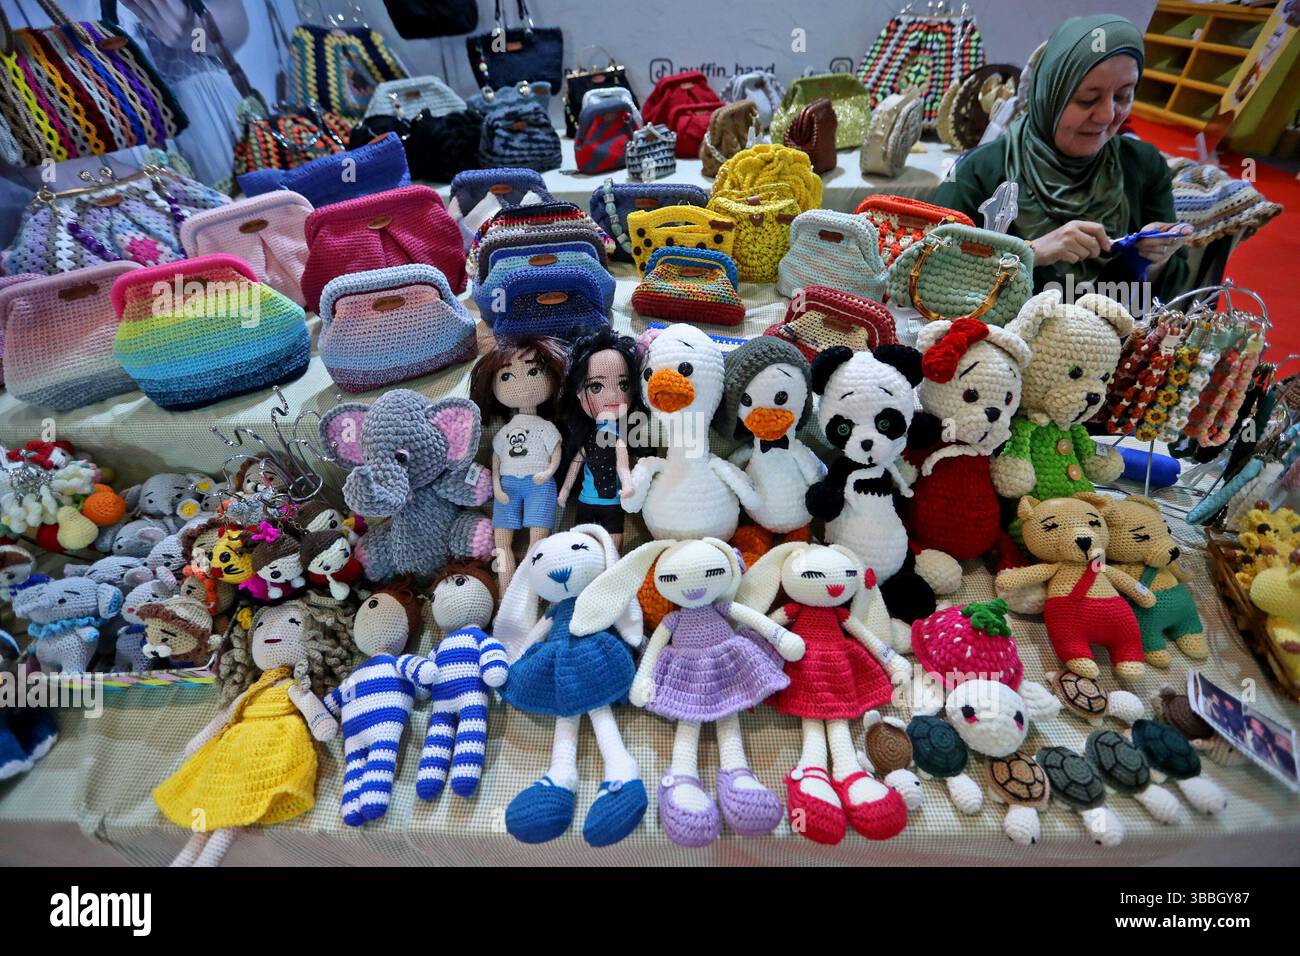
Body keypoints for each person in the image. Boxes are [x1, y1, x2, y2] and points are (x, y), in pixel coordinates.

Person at [933, 14, 1192, 301]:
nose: (1107, 115)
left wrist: (1155, 258)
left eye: (1122, 97)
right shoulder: (980, 173)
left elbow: (1171, 292)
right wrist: (1031, 253)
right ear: (1050, 93)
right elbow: (933, 274)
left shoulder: (1142, 165)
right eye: (1087, 99)